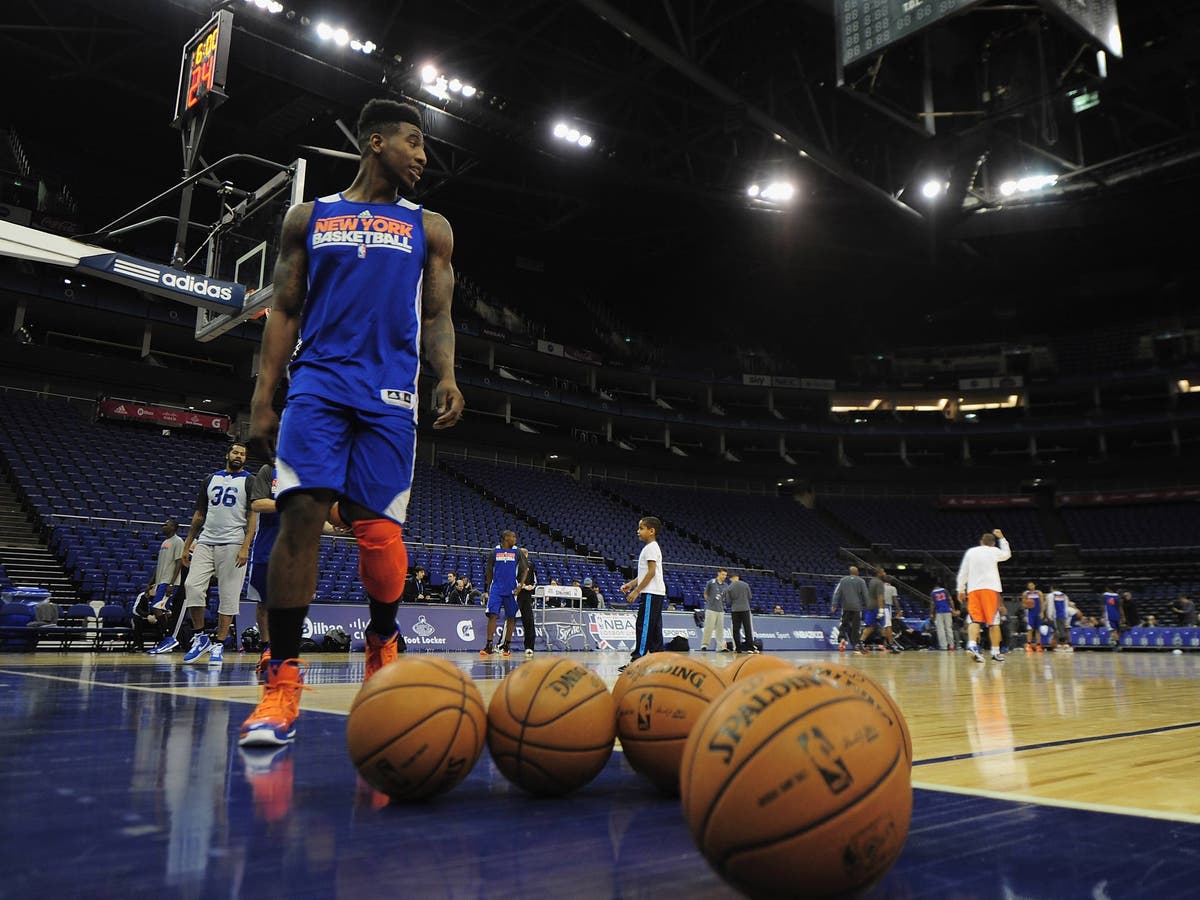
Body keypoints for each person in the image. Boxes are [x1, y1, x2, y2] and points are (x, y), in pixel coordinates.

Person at [240, 98, 464, 747]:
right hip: (319, 381)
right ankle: (282, 681)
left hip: (391, 392)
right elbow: (284, 307)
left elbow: (439, 315)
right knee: (300, 514)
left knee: (379, 538)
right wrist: (263, 397)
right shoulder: (308, 217)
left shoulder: (433, 228)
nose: (424, 155)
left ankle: (383, 641)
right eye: (414, 141)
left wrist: (446, 375)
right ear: (375, 142)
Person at [161, 443, 262, 664]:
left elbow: (252, 516)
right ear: (228, 455)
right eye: (235, 452)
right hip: (206, 539)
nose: (239, 456)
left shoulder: (249, 480)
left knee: (228, 594)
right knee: (192, 587)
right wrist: (188, 543)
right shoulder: (210, 479)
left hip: (233, 542)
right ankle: (200, 637)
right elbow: (199, 514)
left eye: (243, 454)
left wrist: (246, 546)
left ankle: (219, 643)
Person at [956, 529, 1011, 664]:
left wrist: (960, 589)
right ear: (993, 543)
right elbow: (1007, 554)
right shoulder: (994, 551)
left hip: (974, 590)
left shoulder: (971, 552)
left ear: (981, 542)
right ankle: (995, 652)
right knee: (993, 623)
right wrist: (1002, 538)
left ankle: (972, 644)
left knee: (974, 620)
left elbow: (963, 571)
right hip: (990, 589)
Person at [618, 516, 666, 672]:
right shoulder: (652, 547)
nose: (638, 531)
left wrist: (636, 591)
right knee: (655, 628)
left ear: (651, 531)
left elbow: (651, 573)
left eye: (641, 528)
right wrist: (630, 584)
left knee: (643, 626)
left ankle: (637, 660)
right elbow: (645, 573)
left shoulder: (651, 547)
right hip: (656, 592)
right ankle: (659, 661)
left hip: (650, 593)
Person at [480, 531, 529, 658]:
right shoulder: (494, 551)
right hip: (496, 588)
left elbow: (525, 570)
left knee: (511, 617)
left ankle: (507, 645)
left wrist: (520, 585)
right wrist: (488, 587)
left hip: (511, 589)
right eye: (513, 536)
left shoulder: (517, 552)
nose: (515, 538)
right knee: (493, 615)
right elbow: (489, 570)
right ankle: (489, 645)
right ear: (506, 538)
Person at [148, 518, 185, 609]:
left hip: (168, 581)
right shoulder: (165, 542)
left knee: (157, 608)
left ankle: (164, 624)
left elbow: (179, 562)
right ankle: (165, 623)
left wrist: (171, 584)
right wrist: (152, 580)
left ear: (172, 527)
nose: (163, 527)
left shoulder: (178, 541)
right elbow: (160, 563)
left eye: (165, 525)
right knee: (163, 609)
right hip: (160, 581)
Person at [831, 565, 869, 655]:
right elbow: (865, 594)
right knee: (855, 627)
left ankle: (842, 639)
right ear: (857, 572)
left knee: (844, 624)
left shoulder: (843, 580)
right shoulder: (861, 581)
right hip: (856, 608)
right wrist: (868, 605)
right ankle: (855, 645)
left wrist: (834, 604)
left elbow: (837, 592)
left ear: (850, 572)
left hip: (846, 607)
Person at [131, 579, 170, 650]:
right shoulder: (142, 596)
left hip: (156, 619)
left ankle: (162, 643)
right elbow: (136, 609)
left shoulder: (161, 597)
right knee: (137, 620)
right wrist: (147, 616)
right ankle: (137, 645)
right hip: (143, 618)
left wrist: (164, 614)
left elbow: (165, 609)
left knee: (164, 621)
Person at [700, 567, 729, 652]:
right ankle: (704, 645)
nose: (724, 576)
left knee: (720, 629)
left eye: (725, 575)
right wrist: (710, 602)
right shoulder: (711, 582)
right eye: (723, 574)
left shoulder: (726, 586)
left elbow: (724, 597)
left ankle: (720, 647)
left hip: (720, 610)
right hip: (711, 609)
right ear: (718, 573)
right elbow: (705, 594)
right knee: (708, 627)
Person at [726, 573, 756, 653]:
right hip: (745, 609)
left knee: (736, 629)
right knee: (747, 628)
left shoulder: (729, 587)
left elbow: (728, 601)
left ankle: (738, 648)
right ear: (738, 577)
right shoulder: (746, 585)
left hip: (735, 610)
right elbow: (750, 597)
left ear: (731, 579)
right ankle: (750, 647)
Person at [517, 561, 538, 657]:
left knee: (529, 620)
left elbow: (535, 581)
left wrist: (531, 586)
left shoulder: (530, 565)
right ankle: (503, 645)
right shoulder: (515, 564)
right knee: (510, 619)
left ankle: (529, 647)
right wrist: (522, 586)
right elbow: (512, 578)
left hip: (527, 596)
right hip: (516, 594)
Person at [930, 583, 956, 651]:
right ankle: (951, 645)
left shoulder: (933, 593)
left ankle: (943, 646)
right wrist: (953, 609)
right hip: (947, 610)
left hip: (939, 612)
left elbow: (933, 604)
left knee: (941, 629)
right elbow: (950, 600)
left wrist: (932, 613)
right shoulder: (945, 590)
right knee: (949, 628)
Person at [1022, 581, 1046, 654]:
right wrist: (1027, 605)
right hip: (1030, 613)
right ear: (1027, 586)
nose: (1031, 586)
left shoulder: (1039, 593)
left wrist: (1042, 612)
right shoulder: (1025, 593)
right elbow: (1023, 605)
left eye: (1032, 585)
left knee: (1038, 629)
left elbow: (1042, 603)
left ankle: (1038, 645)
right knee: (1030, 629)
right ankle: (1029, 644)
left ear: (1034, 585)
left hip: (1038, 613)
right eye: (1029, 585)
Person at [1048, 584, 1072, 651]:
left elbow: (1050, 606)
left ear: (1052, 588)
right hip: (1064, 615)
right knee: (1063, 630)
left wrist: (1050, 615)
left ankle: (1063, 646)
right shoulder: (1064, 595)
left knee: (1059, 631)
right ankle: (1064, 645)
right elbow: (1066, 606)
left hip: (1056, 615)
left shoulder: (1051, 595)